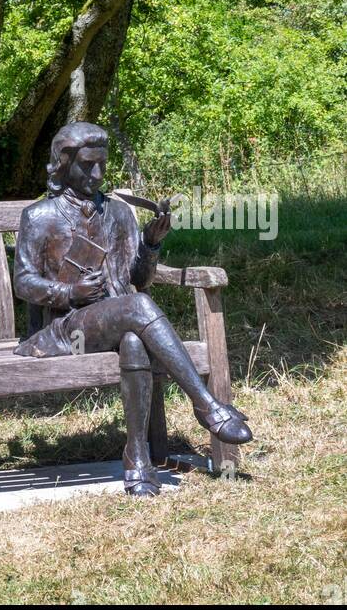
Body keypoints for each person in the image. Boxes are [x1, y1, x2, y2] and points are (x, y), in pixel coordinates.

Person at [13, 121, 252, 497]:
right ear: (63, 165)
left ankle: (137, 458)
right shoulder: (40, 217)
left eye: (102, 165)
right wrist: (69, 290)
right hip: (67, 328)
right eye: (87, 165)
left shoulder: (119, 214)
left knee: (134, 340)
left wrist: (151, 246)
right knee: (138, 308)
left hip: (118, 319)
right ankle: (207, 405)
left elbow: (137, 278)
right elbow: (24, 282)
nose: (97, 173)